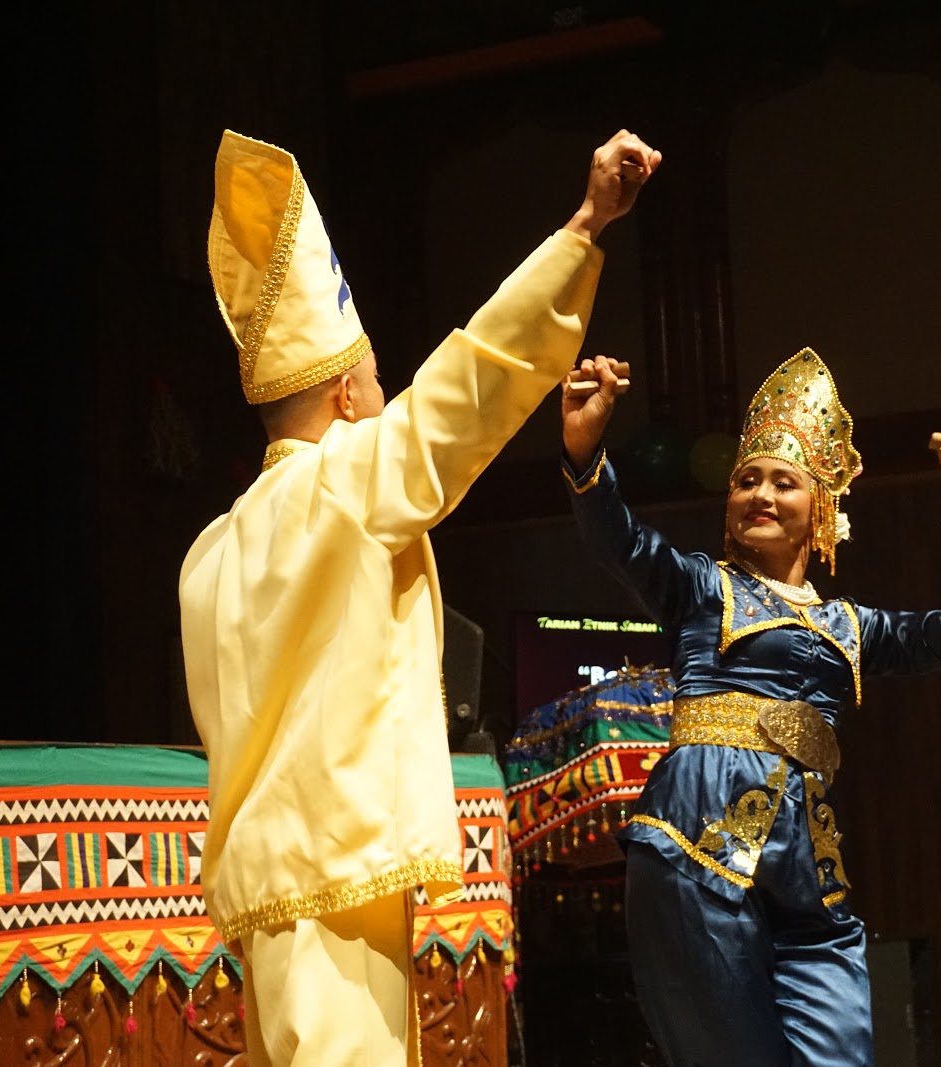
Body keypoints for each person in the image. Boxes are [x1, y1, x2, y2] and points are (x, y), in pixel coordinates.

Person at [179, 128, 660, 1067]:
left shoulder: (213, 548)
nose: (387, 392)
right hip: (340, 867)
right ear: (353, 401)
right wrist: (586, 226)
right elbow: (470, 382)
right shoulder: (344, 488)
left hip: (267, 880)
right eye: (376, 380)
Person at [559, 348, 941, 1065]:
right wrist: (586, 449)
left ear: (822, 510)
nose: (761, 494)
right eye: (746, 481)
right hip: (698, 845)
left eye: (784, 482)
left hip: (807, 864)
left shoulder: (854, 627)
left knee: (840, 1047)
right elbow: (619, 541)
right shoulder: (701, 589)